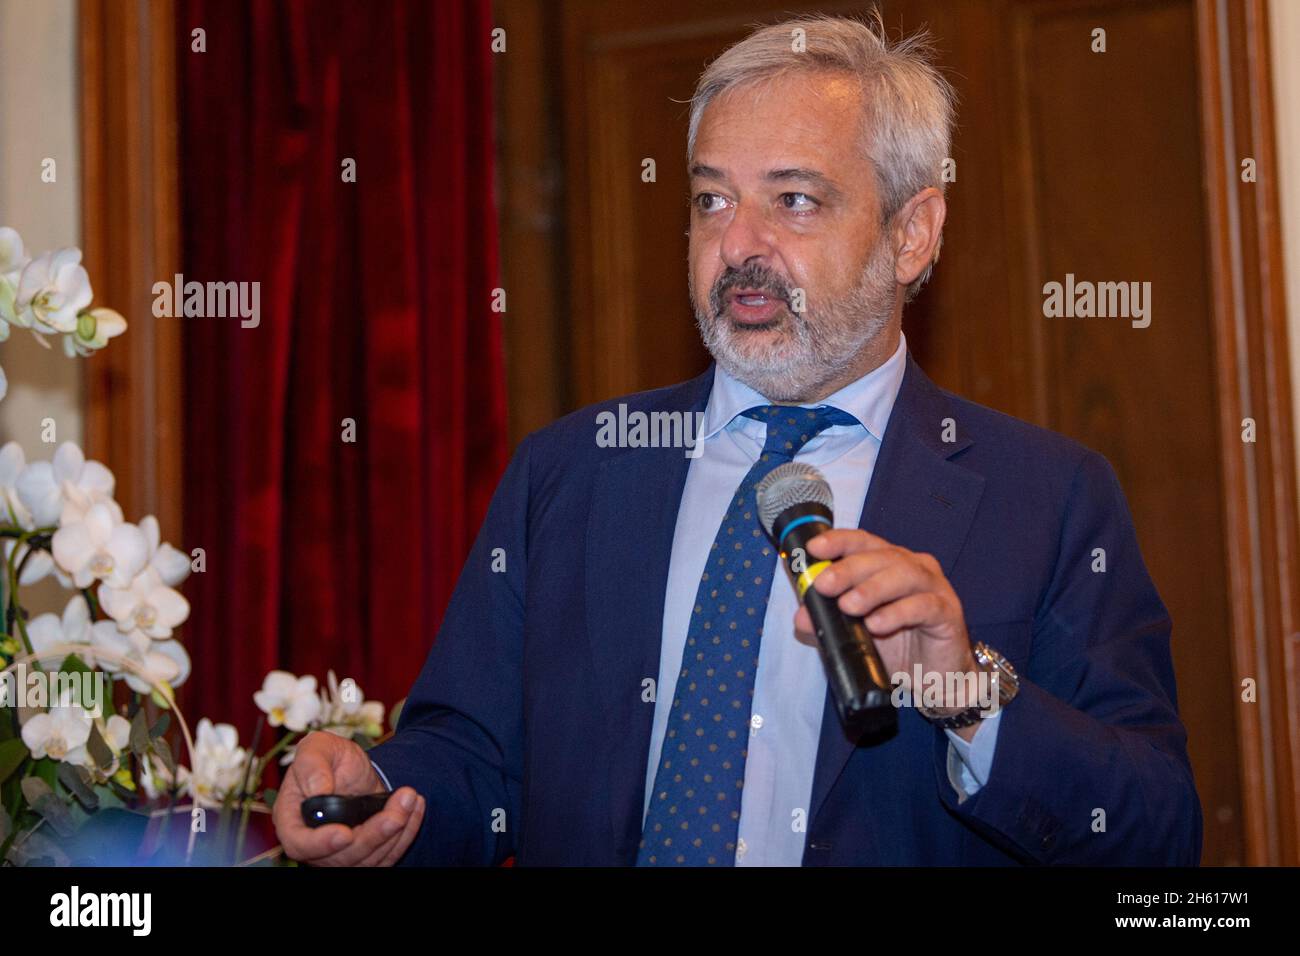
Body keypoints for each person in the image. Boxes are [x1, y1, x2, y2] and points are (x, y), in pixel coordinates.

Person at [272, 13, 1201, 867]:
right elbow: (471, 754)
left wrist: (969, 697)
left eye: (794, 200)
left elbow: (1156, 832)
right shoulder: (571, 471)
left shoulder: (1049, 496)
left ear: (912, 233)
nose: (739, 244)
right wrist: (381, 794)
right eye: (712, 200)